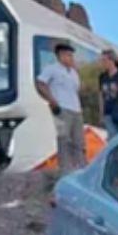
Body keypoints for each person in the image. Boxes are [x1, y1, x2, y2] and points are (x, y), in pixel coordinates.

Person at [35, 41, 86, 171]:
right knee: (64, 139)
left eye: (71, 56)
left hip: (76, 109)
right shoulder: (52, 69)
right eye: (68, 55)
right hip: (62, 108)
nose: (71, 58)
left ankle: (81, 167)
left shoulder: (73, 72)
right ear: (61, 55)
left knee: (78, 141)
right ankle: (65, 169)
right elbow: (41, 83)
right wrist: (52, 100)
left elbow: (79, 89)